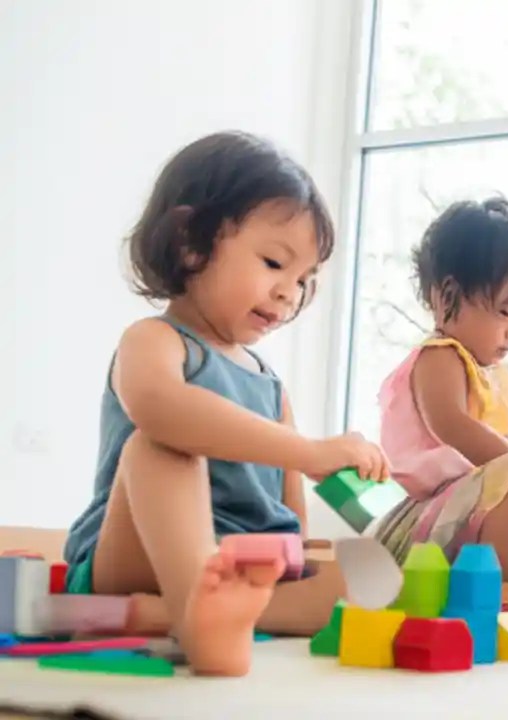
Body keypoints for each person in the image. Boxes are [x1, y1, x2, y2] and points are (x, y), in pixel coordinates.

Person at [61, 132, 390, 676]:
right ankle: (194, 616)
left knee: (365, 581)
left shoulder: (271, 387)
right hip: (133, 556)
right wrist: (310, 452)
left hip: (246, 569)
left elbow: (289, 518)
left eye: (303, 279)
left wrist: (308, 560)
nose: (290, 292)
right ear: (192, 242)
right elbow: (159, 406)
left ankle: (164, 615)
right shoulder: (156, 341)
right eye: (273, 262)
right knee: (159, 443)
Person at [372, 198, 508, 606]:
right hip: (421, 525)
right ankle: (487, 589)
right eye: (506, 311)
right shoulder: (440, 355)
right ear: (446, 297)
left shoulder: (495, 375)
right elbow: (451, 425)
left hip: (467, 511)